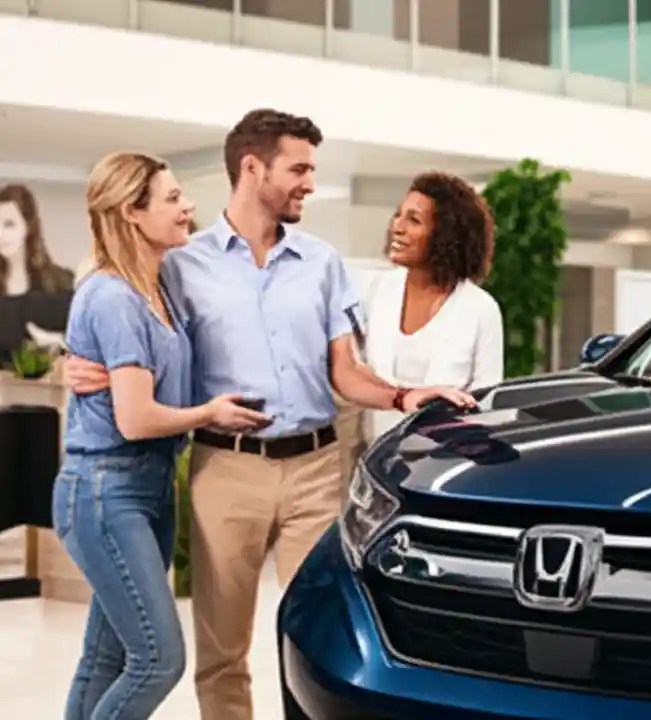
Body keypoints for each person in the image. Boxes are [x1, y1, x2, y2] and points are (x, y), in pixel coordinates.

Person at [63, 108, 476, 720]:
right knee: (221, 651)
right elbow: (120, 301)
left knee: (319, 637)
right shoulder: (181, 263)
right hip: (225, 470)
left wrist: (401, 395)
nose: (310, 182)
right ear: (254, 168)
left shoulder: (323, 263)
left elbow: (344, 371)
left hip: (315, 468)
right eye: (299, 169)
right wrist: (74, 359)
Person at [53, 151, 270, 719]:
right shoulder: (113, 296)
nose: (187, 206)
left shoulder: (161, 284)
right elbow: (135, 419)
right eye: (173, 198)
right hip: (105, 491)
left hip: (149, 487)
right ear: (131, 212)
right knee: (157, 659)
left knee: (106, 658)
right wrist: (208, 414)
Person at [360, 172, 504, 442]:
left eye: (413, 220)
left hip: (444, 457)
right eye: (398, 215)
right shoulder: (376, 290)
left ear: (444, 234)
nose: (397, 227)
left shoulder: (480, 309)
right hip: (377, 456)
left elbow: (487, 406)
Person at [0, 183, 76, 359]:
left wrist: (58, 345)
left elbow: (77, 358)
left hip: (52, 377)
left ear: (28, 226)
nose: (1, 234)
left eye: (9, 224)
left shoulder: (60, 286)